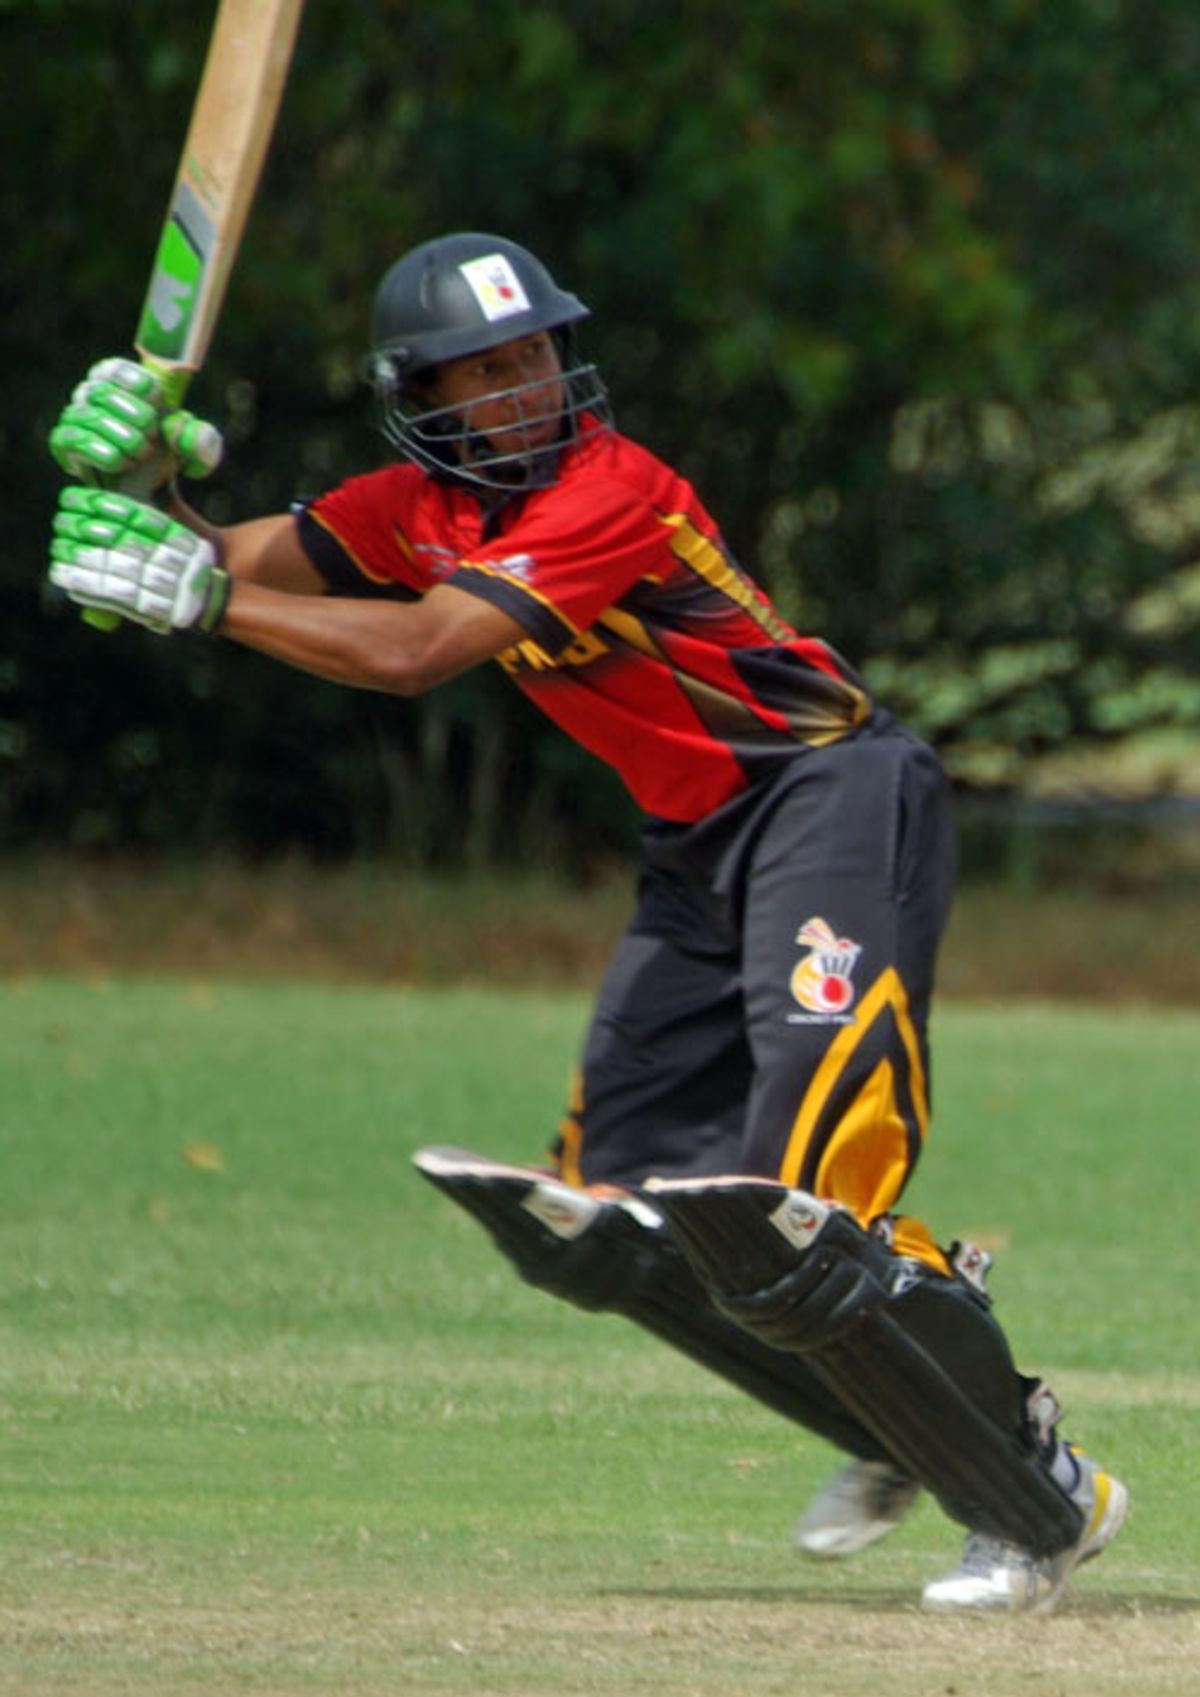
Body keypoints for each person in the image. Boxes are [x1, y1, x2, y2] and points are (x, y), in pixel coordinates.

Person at [47, 231, 1127, 1612]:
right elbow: (219, 556)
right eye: (484, 370)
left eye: (537, 355)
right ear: (423, 399)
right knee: (620, 1210)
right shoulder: (405, 508)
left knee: (799, 1206)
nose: (524, 388)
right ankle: (891, 1417)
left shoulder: (610, 490)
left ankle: (1036, 1486)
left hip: (828, 803)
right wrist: (151, 491)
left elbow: (415, 650)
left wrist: (198, 598)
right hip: (695, 846)